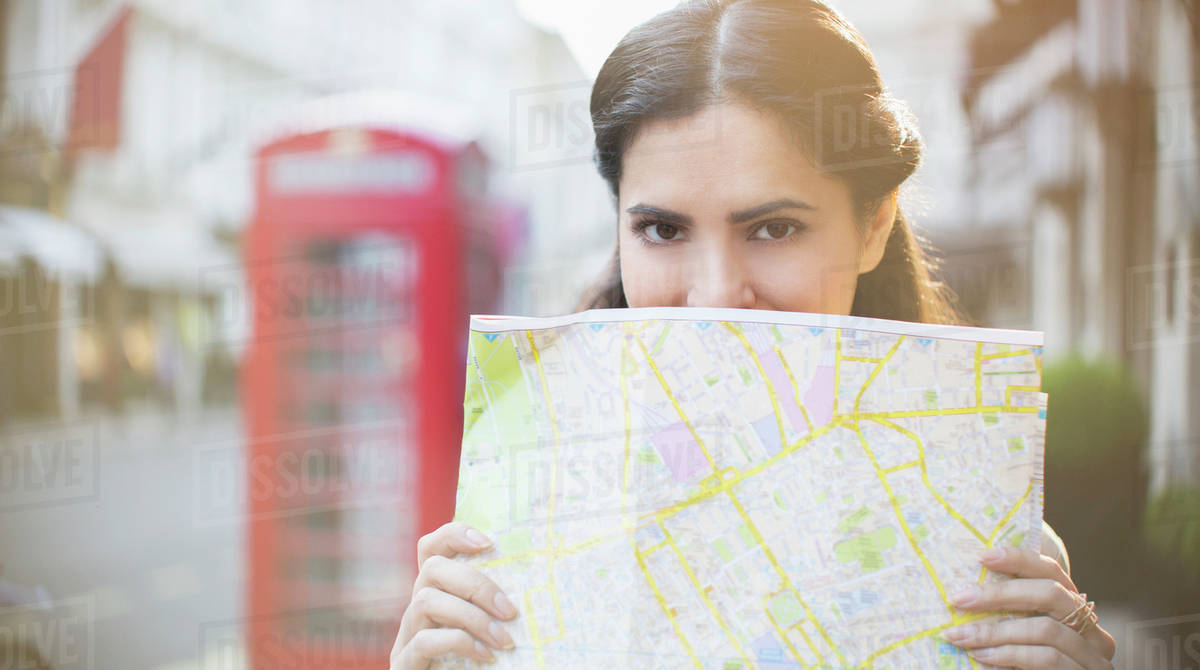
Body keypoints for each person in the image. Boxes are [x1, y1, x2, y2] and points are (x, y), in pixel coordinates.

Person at [391, 1, 1118, 667]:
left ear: (872, 225)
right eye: (663, 230)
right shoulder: (524, 527)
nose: (714, 295)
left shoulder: (987, 551)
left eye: (774, 229)